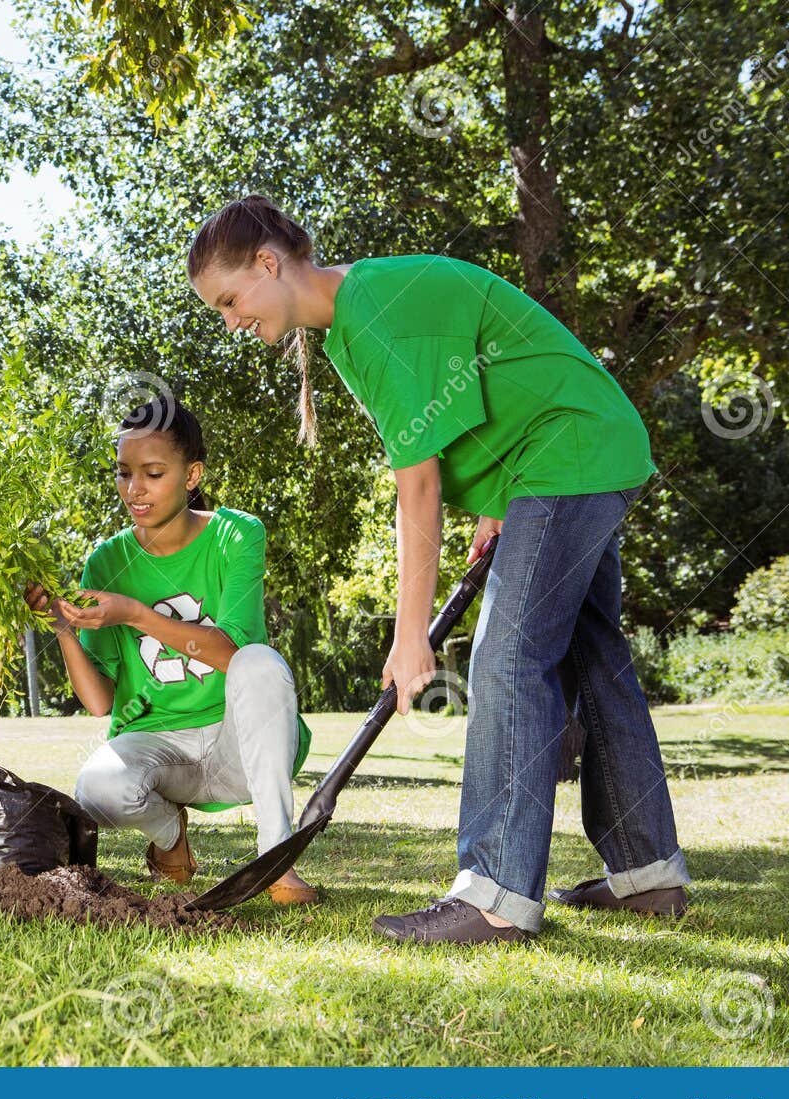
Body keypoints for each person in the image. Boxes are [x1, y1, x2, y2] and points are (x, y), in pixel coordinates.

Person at [187, 193, 688, 942]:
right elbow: (479, 390)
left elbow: (417, 486)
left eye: (230, 300)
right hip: (565, 452)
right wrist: (494, 502)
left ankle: (495, 894)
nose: (230, 322)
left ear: (268, 263)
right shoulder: (355, 320)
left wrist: (409, 634)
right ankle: (650, 875)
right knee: (593, 656)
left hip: (568, 451)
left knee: (506, 656)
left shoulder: (376, 311)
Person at [25, 400, 318, 904]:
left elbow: (231, 654)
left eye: (153, 473)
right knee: (96, 788)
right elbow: (99, 702)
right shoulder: (108, 559)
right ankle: (169, 837)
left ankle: (276, 860)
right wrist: (62, 628)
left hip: (237, 746)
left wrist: (136, 613)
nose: (134, 489)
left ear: (191, 475)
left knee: (262, 663)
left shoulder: (236, 535)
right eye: (123, 474)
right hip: (156, 745)